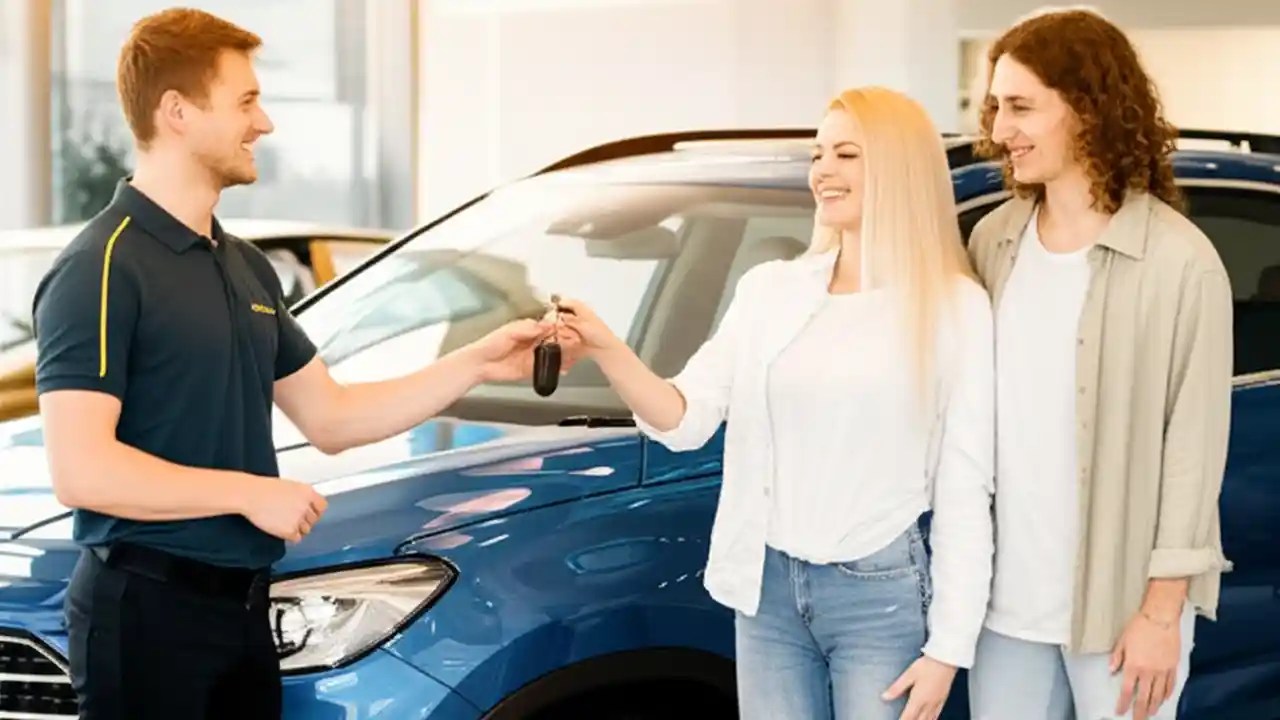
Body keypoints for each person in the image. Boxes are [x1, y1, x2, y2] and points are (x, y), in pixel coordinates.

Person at [33, 9, 554, 720]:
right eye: (245, 101)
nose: (265, 123)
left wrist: (475, 364)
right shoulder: (101, 266)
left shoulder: (244, 267)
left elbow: (332, 417)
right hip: (146, 616)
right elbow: (82, 471)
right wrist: (248, 493)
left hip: (245, 611)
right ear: (177, 112)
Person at [553, 87, 995, 720]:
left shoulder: (954, 306)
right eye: (818, 154)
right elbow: (684, 420)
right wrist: (607, 347)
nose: (824, 171)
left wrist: (948, 649)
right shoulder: (770, 290)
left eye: (847, 154)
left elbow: (965, 488)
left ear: (900, 168)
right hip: (767, 594)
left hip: (879, 596)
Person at [966, 8, 1233, 720]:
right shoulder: (993, 242)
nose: (1000, 130)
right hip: (1002, 609)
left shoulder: (1180, 263)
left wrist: (1161, 614)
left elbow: (1193, 453)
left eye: (1022, 107)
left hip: (1122, 613)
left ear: (1088, 109)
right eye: (996, 107)